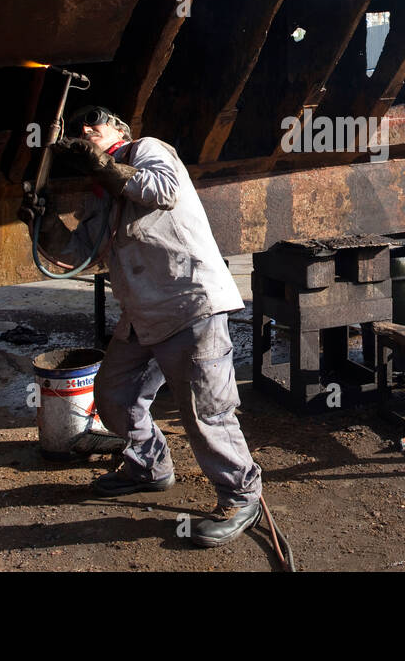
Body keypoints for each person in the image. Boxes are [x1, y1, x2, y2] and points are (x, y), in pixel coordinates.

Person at [33, 105, 264, 547]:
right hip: (142, 315)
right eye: (80, 124)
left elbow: (161, 189)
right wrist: (43, 222)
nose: (84, 128)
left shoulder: (148, 150)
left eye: (94, 121)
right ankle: (149, 466)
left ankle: (241, 497)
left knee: (206, 411)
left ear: (120, 130)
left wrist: (103, 164)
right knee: (114, 397)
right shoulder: (100, 197)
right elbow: (78, 253)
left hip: (190, 302)